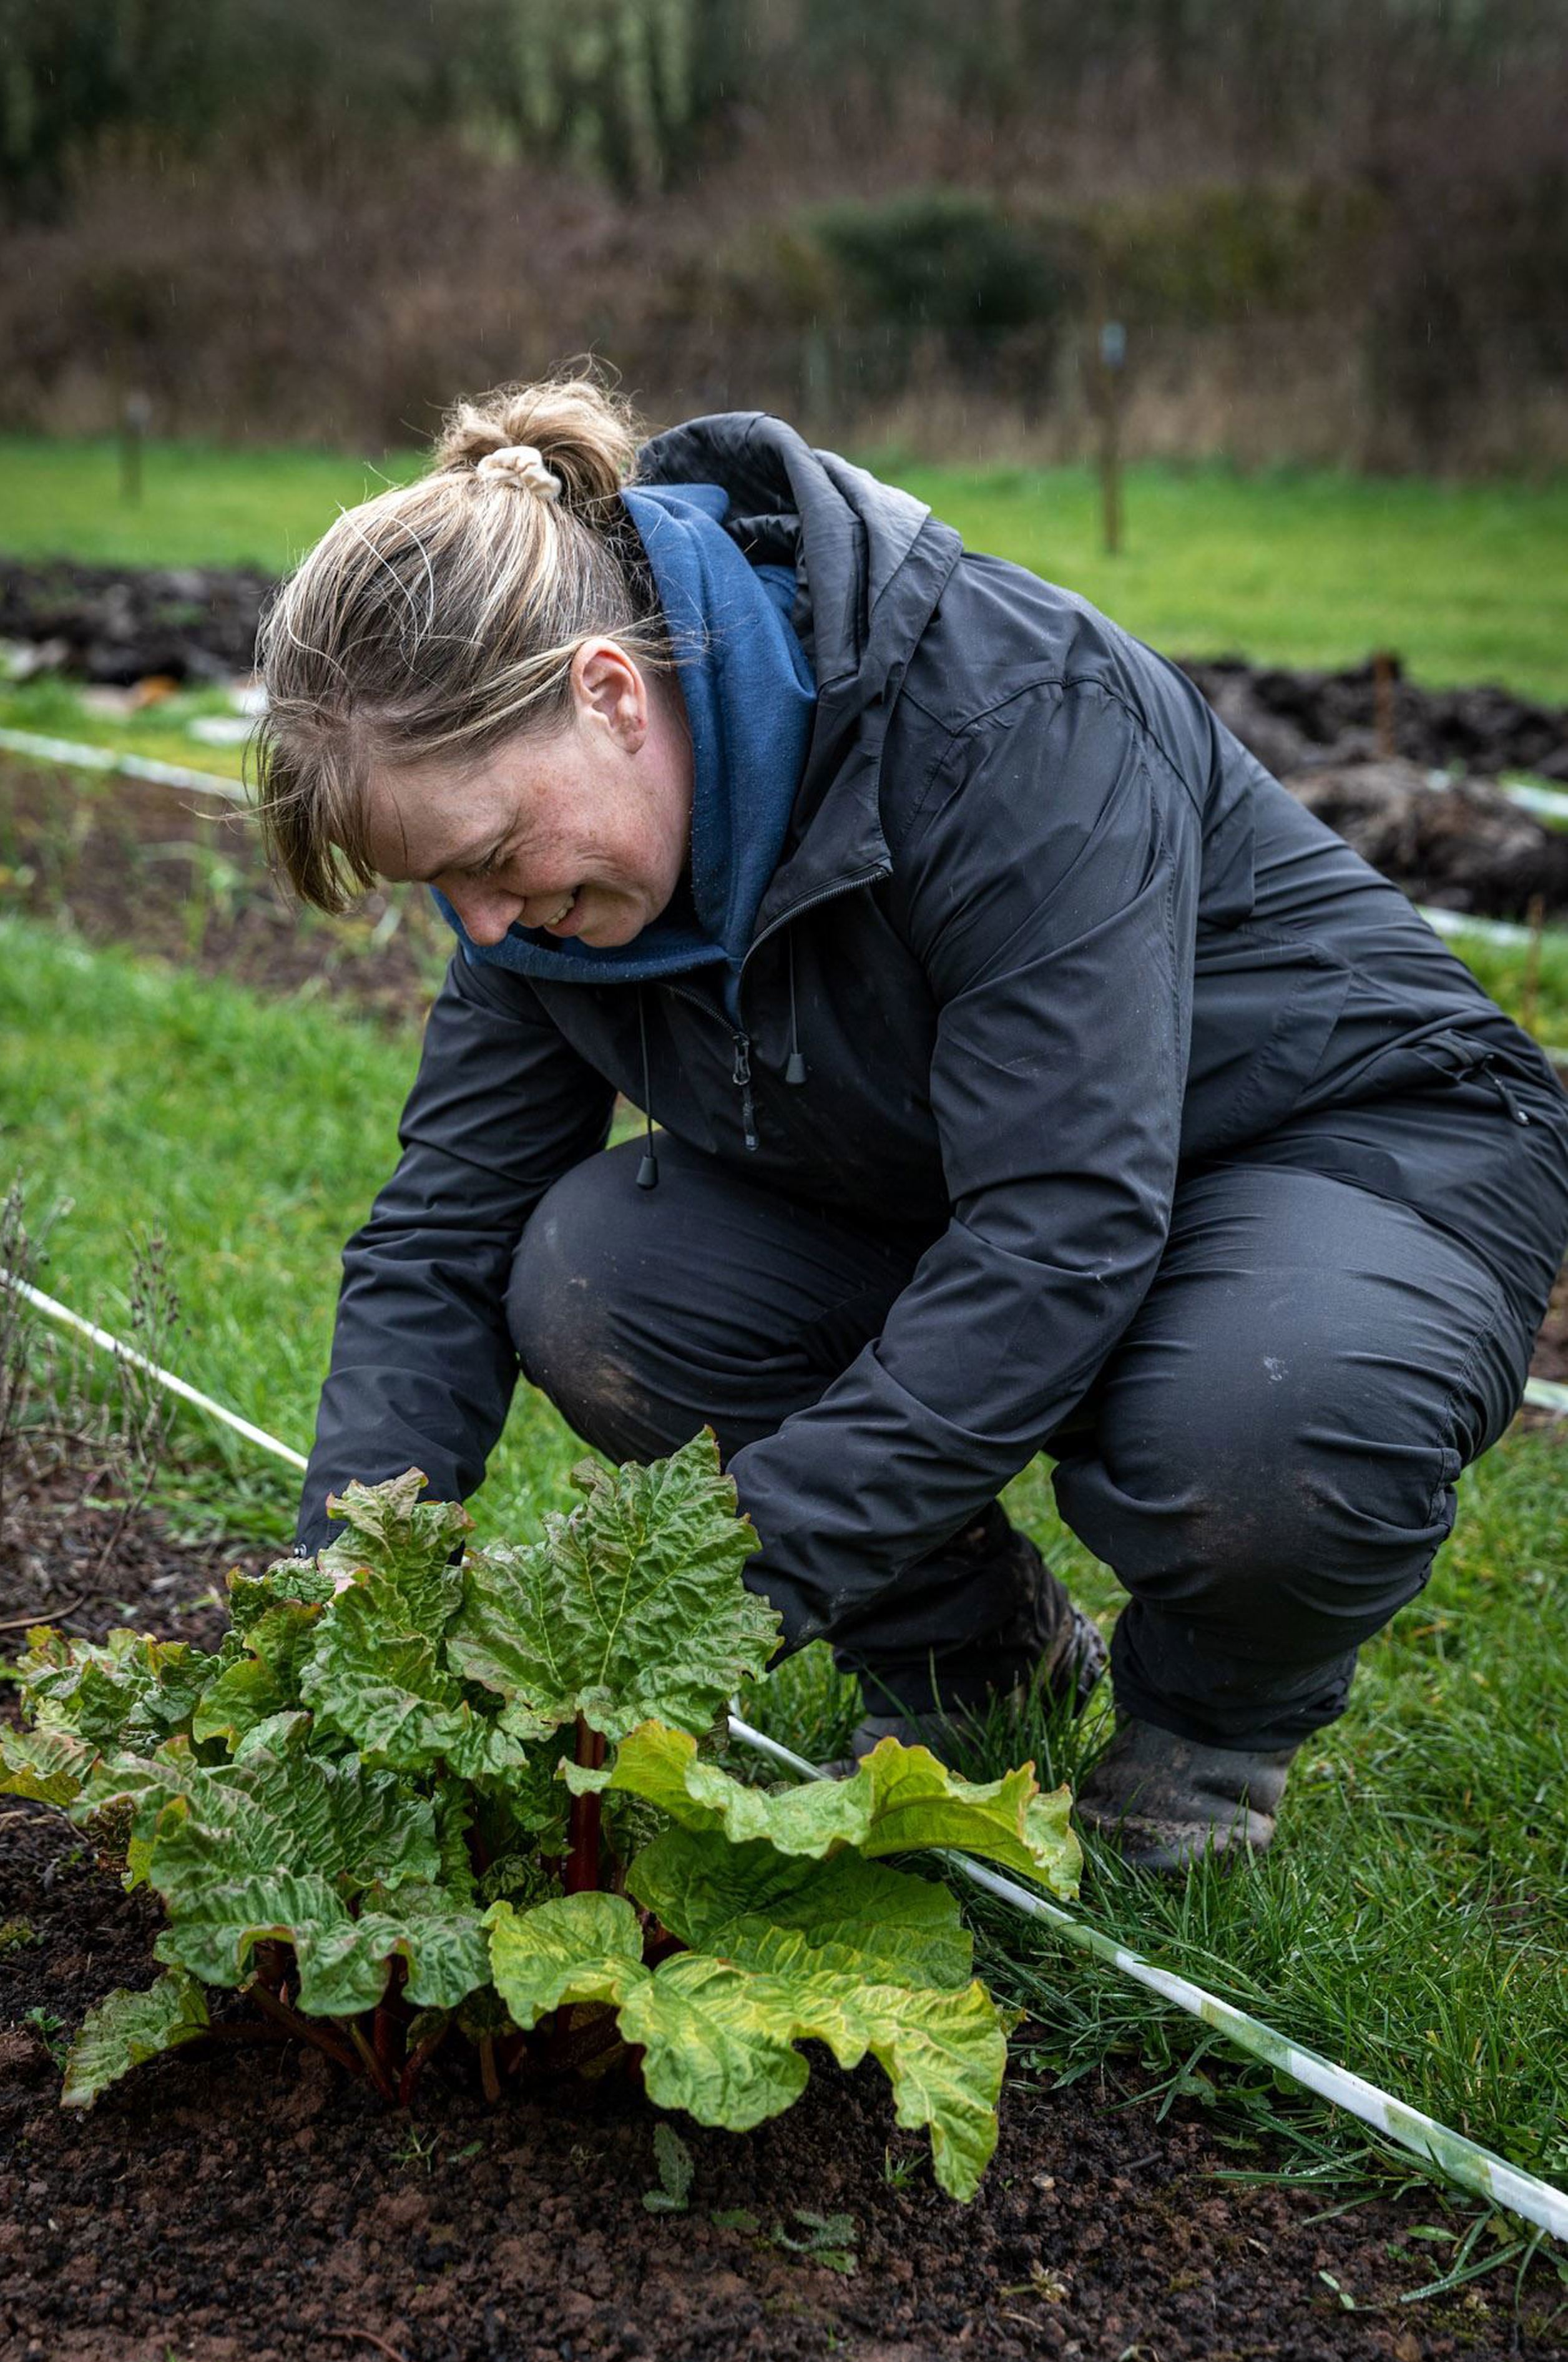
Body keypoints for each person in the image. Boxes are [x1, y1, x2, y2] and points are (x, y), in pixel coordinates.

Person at [256, 375, 1568, 1873]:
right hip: (990, 1172)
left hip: (1335, 1144)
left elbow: (1062, 1224)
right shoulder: (545, 895)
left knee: (1264, 1415)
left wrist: (707, 1593)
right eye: (446, 887)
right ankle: (980, 1665)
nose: (484, 921)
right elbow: (445, 1238)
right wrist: (345, 1603)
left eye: (493, 855)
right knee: (591, 1278)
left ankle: (1205, 1745)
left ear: (612, 693)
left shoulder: (1004, 718)